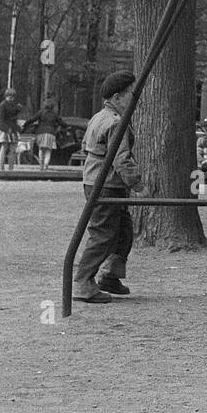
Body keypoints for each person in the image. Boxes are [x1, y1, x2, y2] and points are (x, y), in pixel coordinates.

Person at [73, 70, 143, 305]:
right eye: (129, 95)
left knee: (123, 231)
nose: (133, 99)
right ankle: (83, 282)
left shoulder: (98, 117)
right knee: (103, 234)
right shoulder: (115, 123)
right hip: (106, 184)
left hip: (97, 181)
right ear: (116, 97)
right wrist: (137, 183)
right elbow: (121, 158)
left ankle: (110, 275)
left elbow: (86, 147)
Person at [25, 98, 62, 170]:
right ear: (53, 106)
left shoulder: (41, 112)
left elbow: (32, 119)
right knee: (48, 150)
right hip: (51, 133)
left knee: (41, 149)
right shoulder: (54, 114)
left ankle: (41, 165)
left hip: (40, 133)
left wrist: (25, 124)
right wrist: (65, 126)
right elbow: (61, 122)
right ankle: (46, 165)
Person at [0, 88, 23, 171]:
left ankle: (11, 168)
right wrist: (6, 129)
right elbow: (0, 119)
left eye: (13, 97)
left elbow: (16, 115)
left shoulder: (14, 105)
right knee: (4, 147)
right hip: (5, 129)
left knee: (13, 149)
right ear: (6, 96)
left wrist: (19, 108)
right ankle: (1, 167)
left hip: (13, 129)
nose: (12, 99)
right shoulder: (2, 105)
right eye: (10, 97)